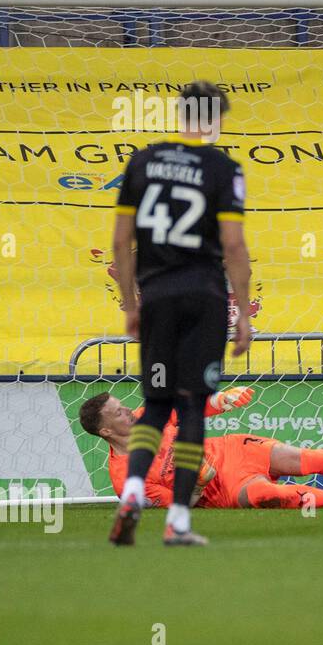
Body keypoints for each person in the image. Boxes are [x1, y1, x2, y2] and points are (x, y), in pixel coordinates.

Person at [108, 81, 251, 547]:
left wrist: (132, 305)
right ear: (215, 119)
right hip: (204, 298)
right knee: (191, 409)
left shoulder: (142, 161)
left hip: (158, 296)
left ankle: (132, 492)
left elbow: (119, 241)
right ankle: (179, 523)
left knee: (155, 405)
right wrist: (243, 315)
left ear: (180, 114)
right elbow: (232, 245)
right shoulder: (224, 168)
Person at [81, 389, 323, 509]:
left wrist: (222, 400)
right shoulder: (124, 480)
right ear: (106, 430)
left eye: (123, 404)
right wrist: (195, 484)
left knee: (308, 458)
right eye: (118, 412)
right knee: (269, 493)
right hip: (221, 490)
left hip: (232, 450)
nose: (128, 410)